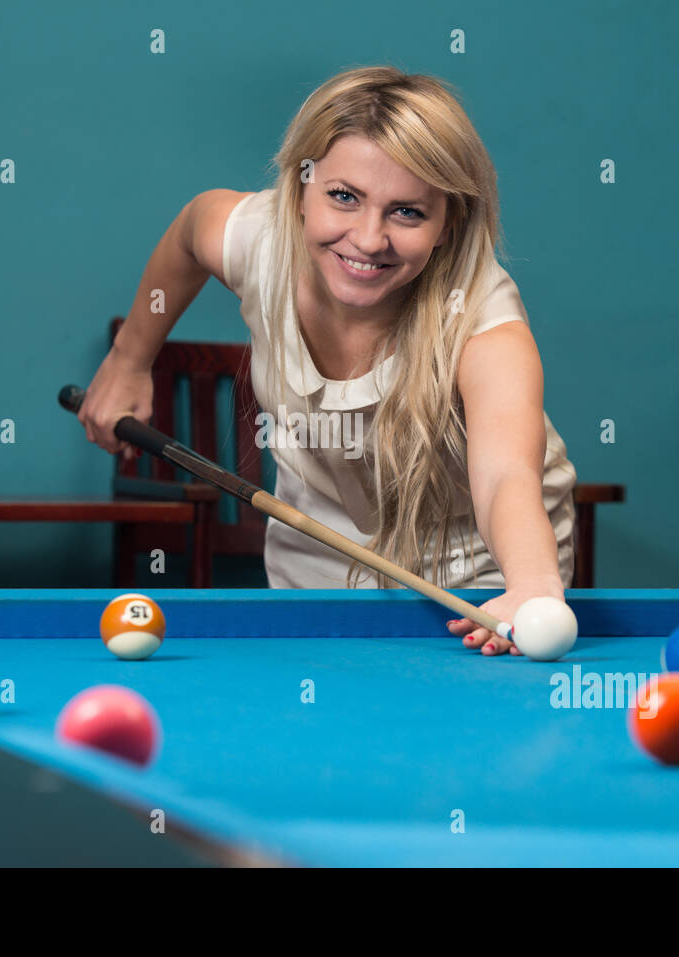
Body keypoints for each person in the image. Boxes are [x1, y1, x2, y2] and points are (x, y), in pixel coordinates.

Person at [79, 66, 577, 656]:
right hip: (313, 563)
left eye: (408, 212)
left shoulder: (481, 319)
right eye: (343, 197)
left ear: (449, 224)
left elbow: (505, 477)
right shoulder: (260, 242)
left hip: (478, 584)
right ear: (299, 190)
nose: (368, 239)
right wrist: (128, 360)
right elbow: (192, 228)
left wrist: (534, 586)